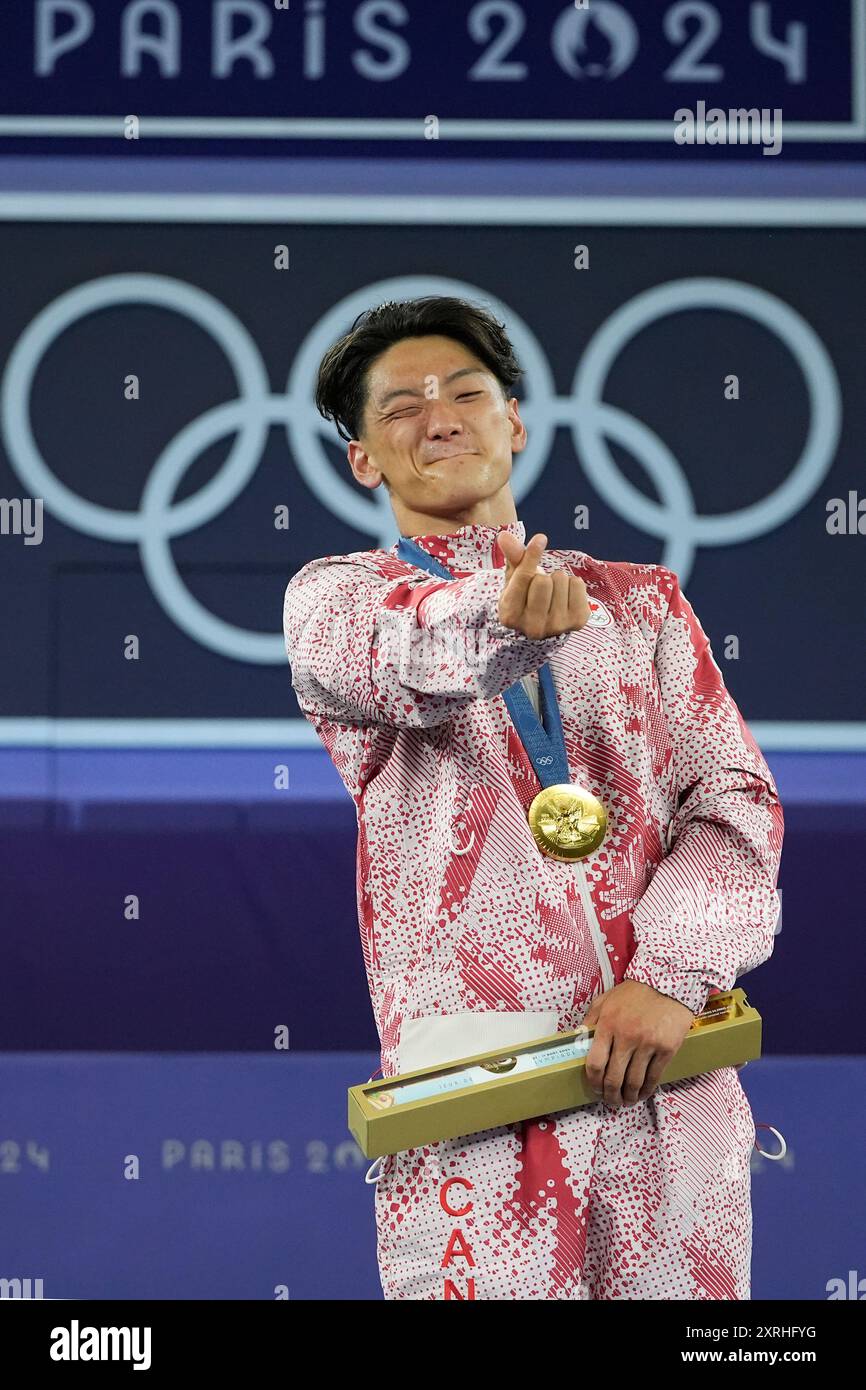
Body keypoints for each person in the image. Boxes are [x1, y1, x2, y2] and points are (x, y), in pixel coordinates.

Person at [282, 296, 784, 1300]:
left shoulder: (641, 601)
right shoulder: (334, 600)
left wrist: (672, 976)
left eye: (467, 392)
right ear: (363, 462)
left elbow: (731, 803)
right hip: (473, 1103)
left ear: (514, 422)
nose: (441, 417)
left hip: (665, 1077)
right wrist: (500, 616)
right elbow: (411, 652)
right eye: (401, 407)